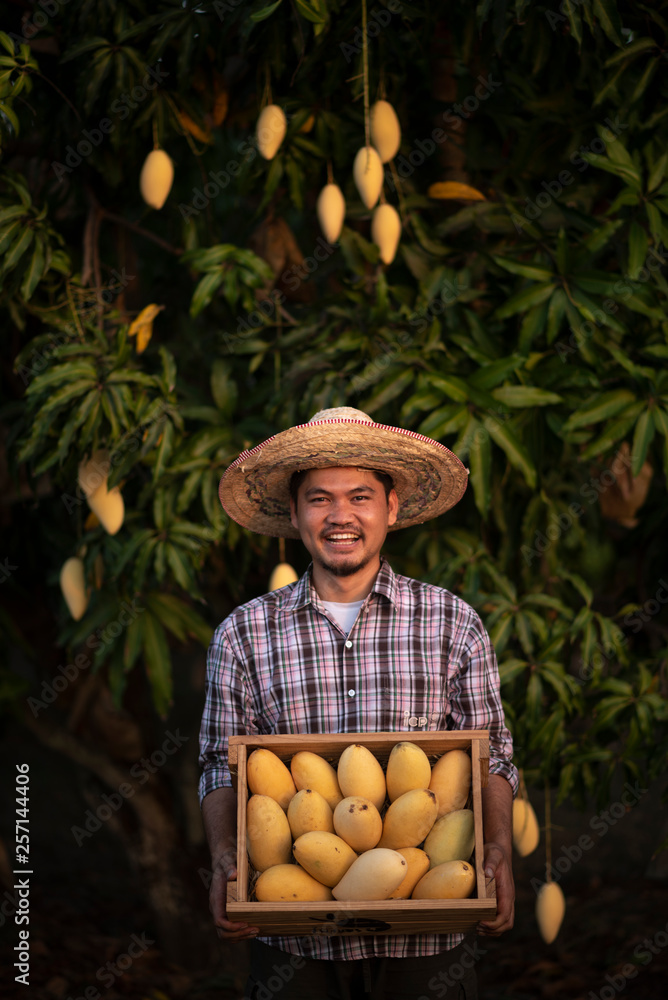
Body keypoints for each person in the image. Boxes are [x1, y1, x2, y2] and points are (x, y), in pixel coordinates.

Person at [199, 407, 518, 1000]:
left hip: (425, 941)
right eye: (319, 499)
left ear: (391, 508)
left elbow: (492, 755)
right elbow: (222, 764)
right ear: (293, 515)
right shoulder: (242, 634)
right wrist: (224, 858)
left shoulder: (453, 624)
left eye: (361, 497)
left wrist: (496, 849)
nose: (340, 516)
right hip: (295, 943)